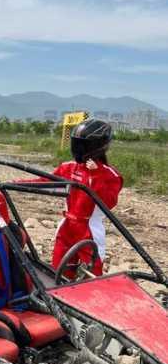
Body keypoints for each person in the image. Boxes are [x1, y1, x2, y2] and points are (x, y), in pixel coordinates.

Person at [17, 119, 123, 278]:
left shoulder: (109, 175)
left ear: (97, 147)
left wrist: (96, 175)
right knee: (58, 268)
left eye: (83, 145)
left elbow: (108, 202)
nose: (78, 149)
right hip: (67, 225)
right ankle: (57, 297)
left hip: (89, 228)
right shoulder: (68, 167)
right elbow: (45, 182)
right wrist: (13, 183)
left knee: (93, 272)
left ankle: (91, 298)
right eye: (77, 144)